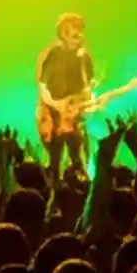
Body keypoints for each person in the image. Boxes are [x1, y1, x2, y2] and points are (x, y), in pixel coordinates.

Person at [36, 13, 95, 178]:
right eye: (74, 29)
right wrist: (55, 104)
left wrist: (84, 100)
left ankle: (78, 181)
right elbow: (42, 85)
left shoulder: (84, 57)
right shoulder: (52, 54)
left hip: (73, 115)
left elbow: (89, 84)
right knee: (54, 159)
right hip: (53, 114)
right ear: (63, 32)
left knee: (77, 157)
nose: (78, 34)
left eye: (80, 30)